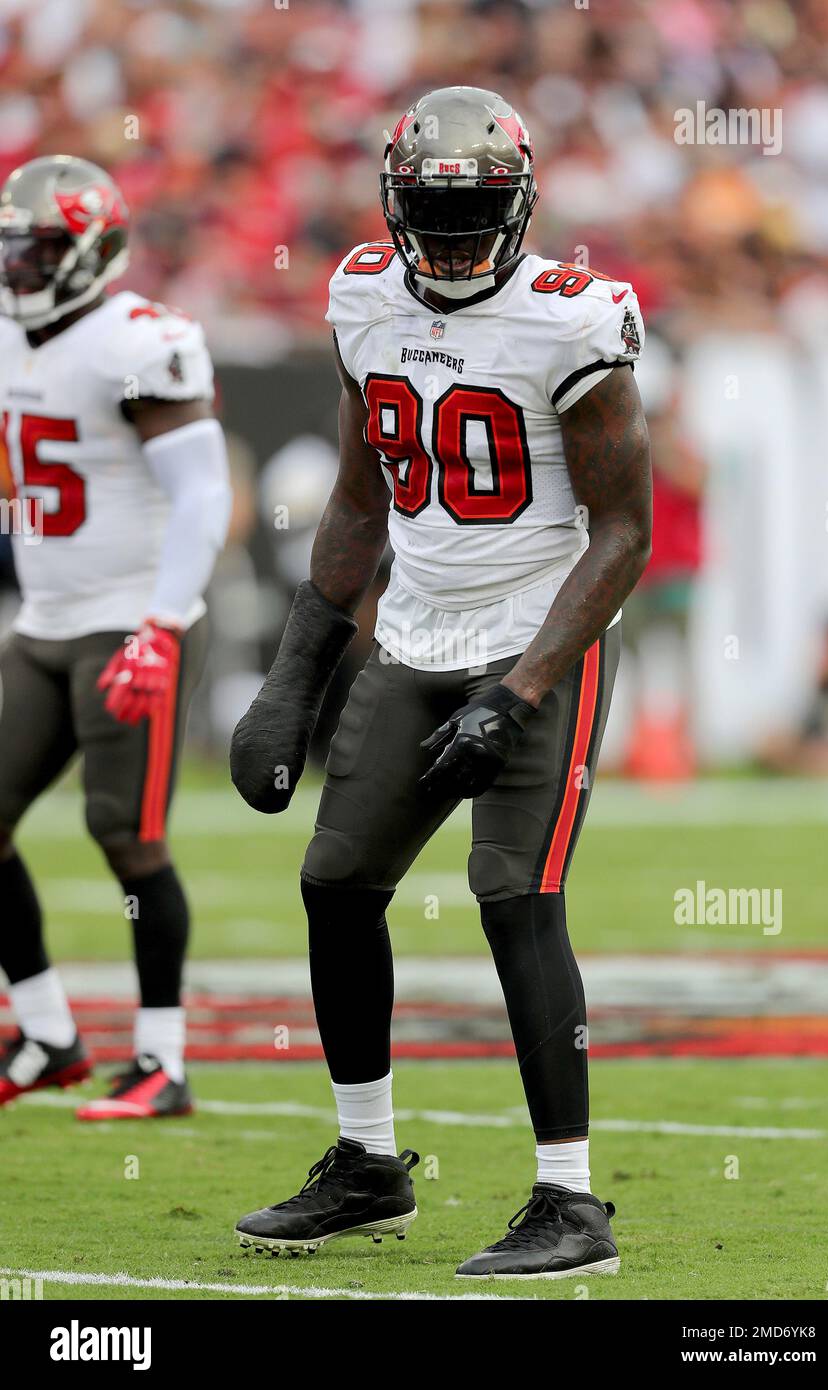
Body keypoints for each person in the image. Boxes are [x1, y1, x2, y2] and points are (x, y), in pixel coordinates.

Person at [231, 87, 651, 1279]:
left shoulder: (575, 318)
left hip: (540, 630)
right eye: (425, 205)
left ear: (521, 204)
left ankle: (569, 1203)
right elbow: (364, 494)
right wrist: (292, 678)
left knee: (514, 893)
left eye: (468, 209)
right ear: (390, 198)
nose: (449, 232)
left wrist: (518, 690)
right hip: (413, 636)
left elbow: (623, 533)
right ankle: (367, 1165)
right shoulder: (362, 292)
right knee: (333, 881)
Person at [0, 155, 232, 1119]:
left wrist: (162, 624)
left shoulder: (136, 342)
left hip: (124, 621)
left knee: (126, 839)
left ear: (92, 251)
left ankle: (162, 1058)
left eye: (40, 246)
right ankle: (49, 1032)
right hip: (43, 621)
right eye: (12, 245)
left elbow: (203, 492)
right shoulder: (11, 339)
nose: (19, 265)